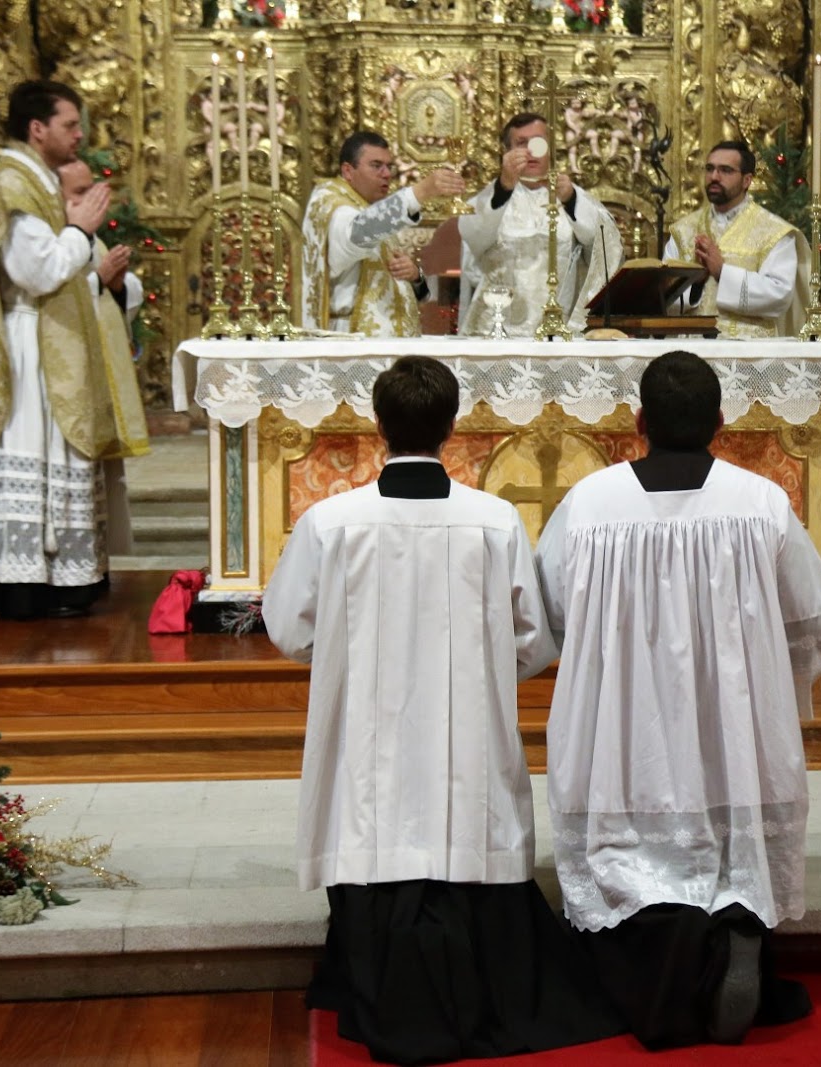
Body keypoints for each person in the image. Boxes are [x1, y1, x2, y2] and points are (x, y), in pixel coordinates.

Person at [261, 356, 623, 1065]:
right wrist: (482, 670)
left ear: (377, 423)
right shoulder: (492, 522)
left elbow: (287, 628)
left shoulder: (332, 521)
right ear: (452, 426)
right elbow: (533, 640)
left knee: (371, 830)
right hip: (468, 749)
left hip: (367, 748)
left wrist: (348, 657)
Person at [536, 350, 821, 1049]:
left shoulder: (589, 504)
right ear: (721, 422)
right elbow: (815, 621)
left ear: (638, 421)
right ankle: (734, 934)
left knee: (627, 863)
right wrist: (772, 680)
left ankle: (656, 970)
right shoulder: (760, 501)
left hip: (624, 738)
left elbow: (550, 614)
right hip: (733, 731)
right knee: (731, 840)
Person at [0, 80, 118, 621]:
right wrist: (79, 230)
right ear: (37, 128)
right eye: (70, 125)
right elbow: (37, 270)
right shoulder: (13, 182)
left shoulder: (35, 180)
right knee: (37, 448)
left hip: (52, 336)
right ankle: (28, 580)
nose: (79, 135)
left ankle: (59, 578)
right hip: (31, 345)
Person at [457, 112, 623, 336]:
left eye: (538, 143)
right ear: (506, 151)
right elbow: (473, 233)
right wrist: (504, 187)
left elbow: (605, 246)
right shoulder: (495, 196)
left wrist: (571, 200)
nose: (530, 151)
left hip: (558, 327)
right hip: (498, 328)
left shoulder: (571, 196)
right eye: (521, 143)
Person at [59, 159, 149, 558]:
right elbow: (56, 303)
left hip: (100, 368)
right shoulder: (58, 236)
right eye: (79, 193)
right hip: (70, 376)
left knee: (109, 476)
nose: (90, 202)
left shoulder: (86, 237)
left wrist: (113, 283)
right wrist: (99, 279)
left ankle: (108, 553)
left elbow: (111, 294)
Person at [300, 131, 466, 336]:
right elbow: (358, 234)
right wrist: (420, 192)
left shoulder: (366, 206)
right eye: (376, 166)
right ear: (348, 171)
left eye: (390, 166)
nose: (387, 174)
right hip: (352, 341)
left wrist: (415, 275)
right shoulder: (330, 204)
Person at [661, 140, 810, 337]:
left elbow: (779, 296)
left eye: (726, 170)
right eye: (710, 169)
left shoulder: (773, 231)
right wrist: (696, 282)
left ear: (747, 180)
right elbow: (663, 299)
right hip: (692, 350)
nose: (714, 177)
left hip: (749, 353)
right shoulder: (684, 231)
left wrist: (722, 272)